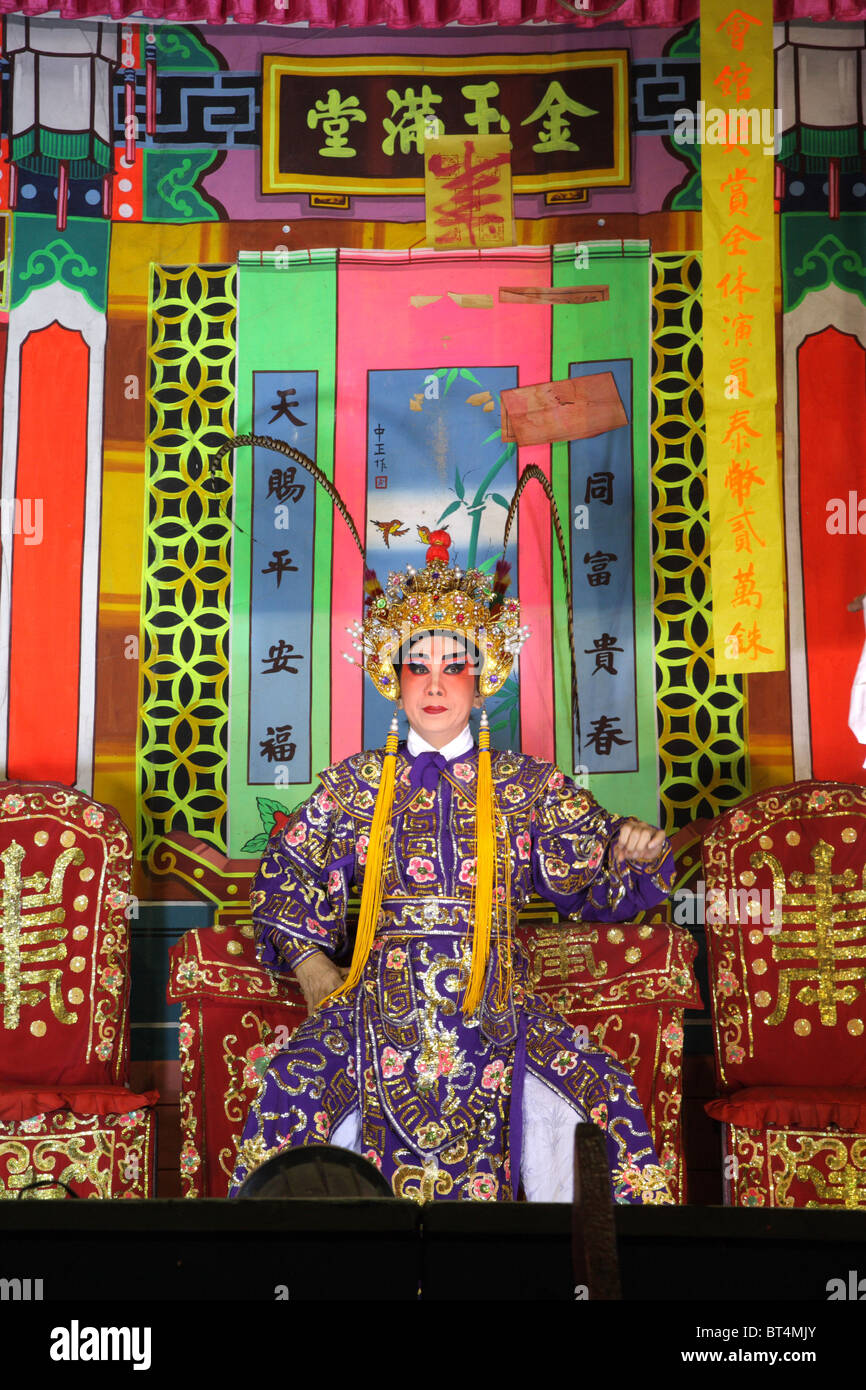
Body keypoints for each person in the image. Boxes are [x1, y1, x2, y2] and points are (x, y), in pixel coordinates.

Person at [230, 546, 675, 1203]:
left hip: (497, 997)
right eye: (418, 666)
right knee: (287, 1086)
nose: (434, 686)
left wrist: (635, 848)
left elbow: (602, 869)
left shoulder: (528, 785)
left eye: (454, 666)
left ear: (482, 677)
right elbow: (290, 866)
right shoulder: (355, 784)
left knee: (603, 1091)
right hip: (375, 999)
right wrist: (309, 962)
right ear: (394, 679)